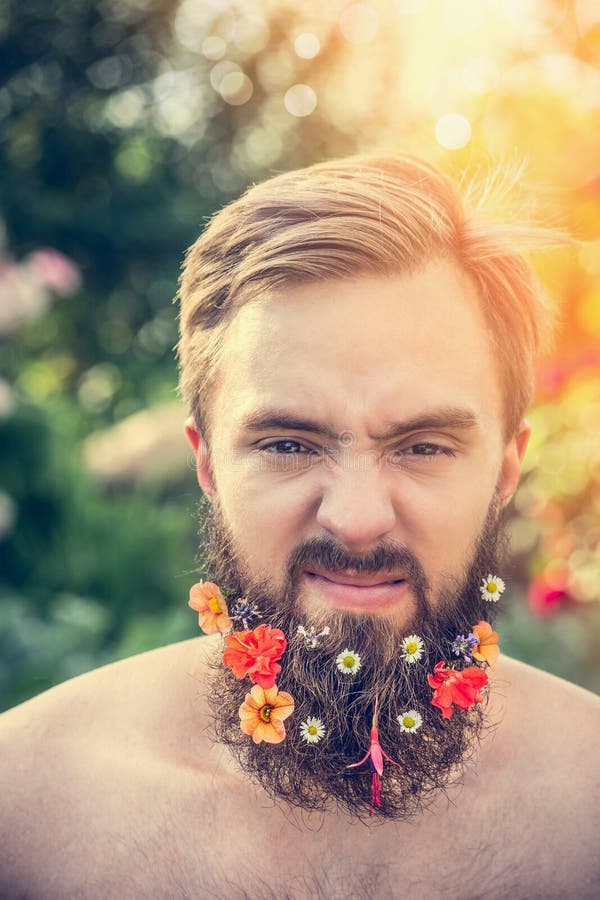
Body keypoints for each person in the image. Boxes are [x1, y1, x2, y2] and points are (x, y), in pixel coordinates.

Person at [1, 154, 598, 899]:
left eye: (423, 447)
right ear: (207, 464)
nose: (356, 519)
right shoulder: (27, 817)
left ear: (507, 469)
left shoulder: (587, 812)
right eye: (288, 445)